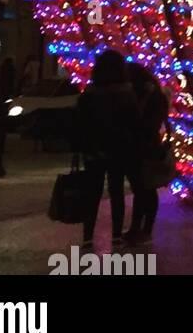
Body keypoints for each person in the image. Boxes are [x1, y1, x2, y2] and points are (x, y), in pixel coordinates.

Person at [72, 49, 140, 248]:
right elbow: (134, 123)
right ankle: (117, 235)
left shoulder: (90, 93)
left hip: (94, 150)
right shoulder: (126, 94)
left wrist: (80, 147)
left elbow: (79, 123)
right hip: (118, 149)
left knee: (92, 193)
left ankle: (87, 236)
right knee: (116, 191)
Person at [126, 62, 169, 244]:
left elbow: (149, 122)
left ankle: (145, 229)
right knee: (141, 189)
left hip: (147, 147)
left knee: (147, 189)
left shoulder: (153, 96)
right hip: (139, 147)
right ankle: (136, 228)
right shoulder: (140, 94)